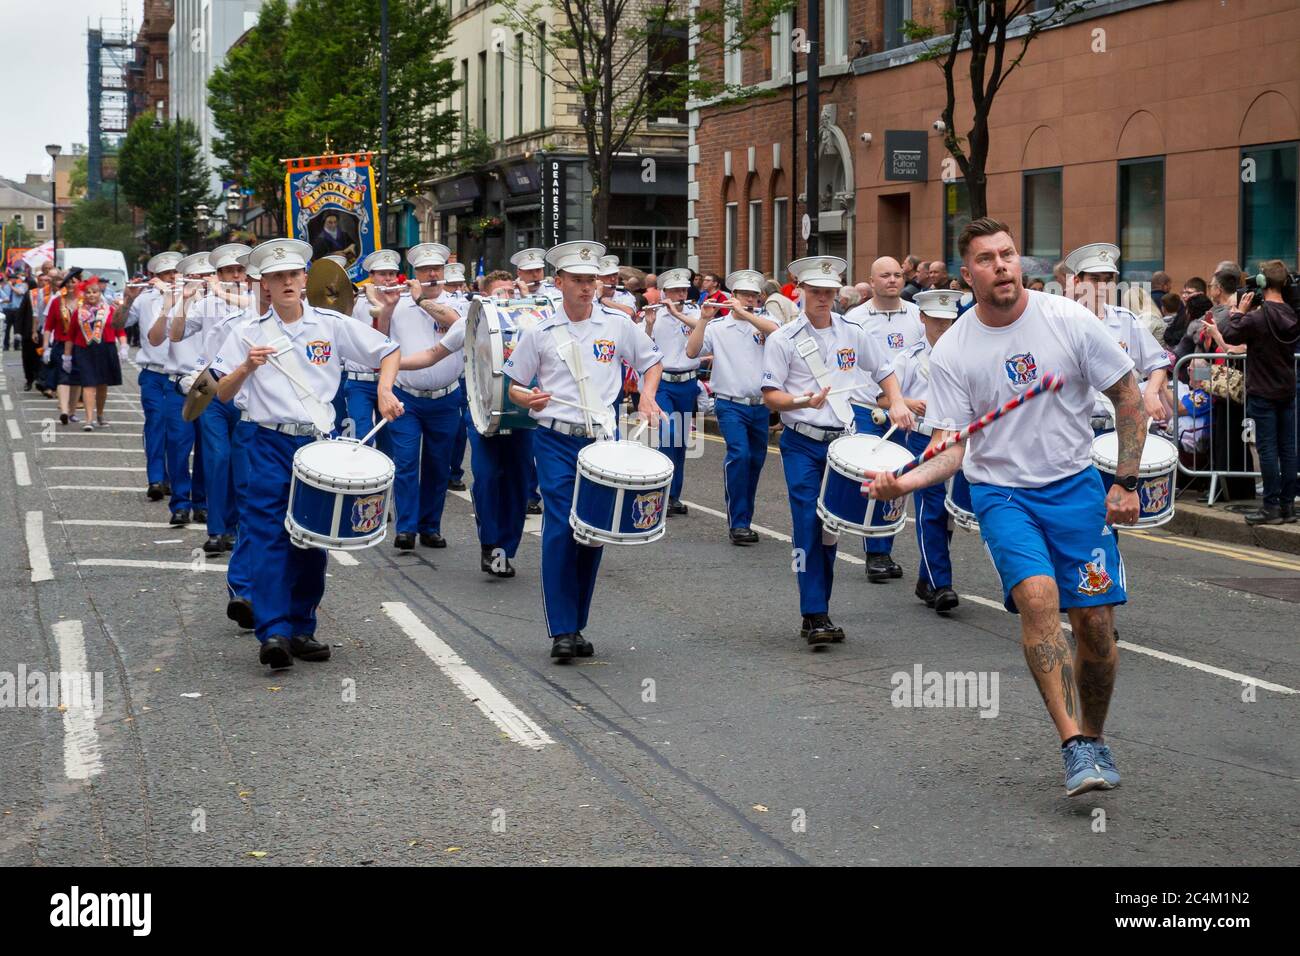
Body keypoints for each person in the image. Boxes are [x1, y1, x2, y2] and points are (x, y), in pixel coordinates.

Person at [869, 217, 1144, 797]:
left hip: (1074, 487)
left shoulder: (1068, 320)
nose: (1003, 266)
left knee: (1094, 626)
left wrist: (1125, 481)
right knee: (1039, 602)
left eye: (1009, 254)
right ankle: (1073, 745)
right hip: (1003, 493)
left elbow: (1127, 395)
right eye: (988, 259)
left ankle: (1093, 737)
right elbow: (953, 447)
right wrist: (907, 482)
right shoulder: (955, 351)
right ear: (967, 274)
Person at [211, 238, 402, 670]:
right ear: (264, 285)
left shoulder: (331, 325)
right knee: (268, 534)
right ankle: (273, 630)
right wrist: (246, 367)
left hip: (317, 442)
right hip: (267, 441)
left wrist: (386, 391)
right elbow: (219, 391)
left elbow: (387, 351)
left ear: (303, 279)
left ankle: (301, 627)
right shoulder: (245, 333)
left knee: (313, 535)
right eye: (277, 277)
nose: (286, 283)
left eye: (293, 275)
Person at [502, 239, 664, 662]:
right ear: (559, 283)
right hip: (555, 438)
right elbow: (513, 384)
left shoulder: (617, 324)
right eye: (578, 280)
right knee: (560, 526)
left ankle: (577, 623)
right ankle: (561, 629)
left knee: (593, 529)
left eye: (592, 280)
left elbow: (650, 361)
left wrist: (647, 396)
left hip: (601, 440)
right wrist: (527, 399)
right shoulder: (538, 330)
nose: (588, 288)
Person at [762, 255, 913, 647]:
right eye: (816, 292)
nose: (824, 299)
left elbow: (883, 371)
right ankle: (815, 613)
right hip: (801, 443)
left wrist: (896, 400)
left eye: (830, 292)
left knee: (832, 525)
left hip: (843, 443)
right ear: (801, 292)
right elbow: (770, 397)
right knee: (809, 523)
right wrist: (800, 402)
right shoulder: (783, 339)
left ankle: (819, 609)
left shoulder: (852, 332)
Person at [399, 270, 532, 576]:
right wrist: (392, 364)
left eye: (510, 292)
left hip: (521, 414)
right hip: (483, 412)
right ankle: (490, 547)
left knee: (518, 484)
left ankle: (504, 551)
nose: (506, 298)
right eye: (499, 293)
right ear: (485, 296)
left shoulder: (530, 324)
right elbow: (433, 354)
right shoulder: (469, 323)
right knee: (486, 479)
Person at [877, 289, 963, 614]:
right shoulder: (908, 358)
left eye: (949, 321)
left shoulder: (965, 354)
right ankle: (941, 584)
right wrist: (906, 403)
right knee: (931, 510)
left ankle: (928, 578)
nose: (944, 327)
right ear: (923, 318)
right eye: (937, 321)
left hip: (959, 439)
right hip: (923, 438)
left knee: (951, 511)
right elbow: (882, 398)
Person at [844, 256, 924, 582]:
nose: (892, 280)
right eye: (885, 275)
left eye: (897, 275)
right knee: (877, 478)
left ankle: (885, 548)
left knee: (901, 480)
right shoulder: (855, 318)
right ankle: (876, 553)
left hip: (909, 410)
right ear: (871, 280)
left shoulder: (918, 315)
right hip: (868, 410)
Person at [685, 268, 779, 544]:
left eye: (753, 296)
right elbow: (691, 352)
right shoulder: (719, 327)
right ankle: (738, 523)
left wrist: (747, 313)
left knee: (755, 462)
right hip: (730, 403)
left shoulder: (766, 321)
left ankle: (744, 519)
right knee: (739, 456)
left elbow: (776, 332)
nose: (749, 299)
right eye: (743, 295)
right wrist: (703, 320)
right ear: (733, 295)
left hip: (760, 405)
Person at [172, 242, 254, 553]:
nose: (234, 275)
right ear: (217, 273)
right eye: (227, 271)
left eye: (238, 270)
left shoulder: (257, 299)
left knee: (242, 462)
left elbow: (248, 305)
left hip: (246, 385)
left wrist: (219, 291)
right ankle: (218, 530)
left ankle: (241, 528)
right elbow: (176, 334)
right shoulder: (206, 305)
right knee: (217, 458)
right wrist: (182, 300)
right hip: (209, 382)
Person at [387, 242, 464, 551]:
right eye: (425, 270)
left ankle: (429, 525)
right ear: (414, 273)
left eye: (437, 269)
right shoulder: (399, 305)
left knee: (438, 465)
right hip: (406, 395)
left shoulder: (459, 300)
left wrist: (420, 300)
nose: (432, 274)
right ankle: (405, 527)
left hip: (446, 399)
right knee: (405, 462)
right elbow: (380, 338)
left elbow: (452, 322)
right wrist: (387, 306)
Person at [1213, 261, 1300, 524]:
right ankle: (1287, 507)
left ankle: (1270, 507)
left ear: (1262, 283)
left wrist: (1238, 311)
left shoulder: (1259, 317)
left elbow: (1230, 333)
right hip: (1286, 389)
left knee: (1267, 450)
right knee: (1287, 449)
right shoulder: (1292, 314)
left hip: (1262, 391)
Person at [1062, 242, 1172, 429]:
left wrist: (1151, 393)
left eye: (1108, 280)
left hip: (1119, 427)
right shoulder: (1063, 321)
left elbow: (1158, 362)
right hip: (1074, 428)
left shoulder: (1125, 320)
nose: (1103, 286)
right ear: (1077, 282)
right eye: (1095, 279)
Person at [152, 252, 211, 528]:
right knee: (178, 446)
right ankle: (179, 502)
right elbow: (154, 339)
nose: (199, 282)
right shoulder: (174, 302)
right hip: (178, 381)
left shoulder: (221, 304)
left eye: (204, 276)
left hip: (210, 382)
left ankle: (201, 502)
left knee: (208, 449)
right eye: (195, 277)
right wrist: (171, 304)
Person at [644, 268, 702, 514]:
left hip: (688, 383)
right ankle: (660, 492)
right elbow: (642, 349)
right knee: (668, 435)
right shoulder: (654, 315)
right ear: (664, 292)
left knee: (680, 441)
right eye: (675, 290)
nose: (680, 294)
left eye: (683, 290)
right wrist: (648, 325)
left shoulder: (695, 313)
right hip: (663, 383)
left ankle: (673, 496)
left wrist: (677, 313)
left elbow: (703, 330)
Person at [126, 252, 183, 501]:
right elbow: (119, 324)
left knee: (177, 430)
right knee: (156, 423)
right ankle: (156, 479)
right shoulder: (144, 299)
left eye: (174, 273)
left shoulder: (190, 298)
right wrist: (127, 300)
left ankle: (173, 477)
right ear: (155, 277)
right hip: (152, 373)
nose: (171, 277)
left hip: (180, 375)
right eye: (166, 274)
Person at [58, 276, 122, 430]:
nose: (91, 295)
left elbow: (119, 329)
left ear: (100, 293)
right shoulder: (78, 313)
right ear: (84, 294)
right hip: (84, 350)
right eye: (88, 292)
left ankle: (99, 414)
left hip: (105, 349)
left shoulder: (110, 310)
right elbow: (70, 336)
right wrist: (66, 356)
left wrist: (124, 346)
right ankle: (88, 419)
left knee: (102, 385)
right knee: (88, 383)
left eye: (94, 292)